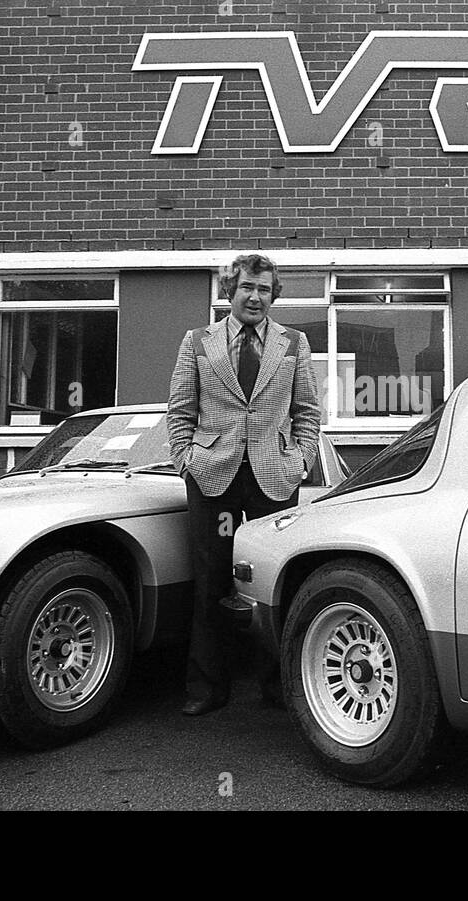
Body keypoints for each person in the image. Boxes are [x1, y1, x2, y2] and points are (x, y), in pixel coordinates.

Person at [167, 253, 321, 716]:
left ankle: (278, 688)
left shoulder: (294, 343)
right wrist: (186, 462)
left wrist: (301, 460)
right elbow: (179, 412)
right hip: (213, 476)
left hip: (274, 477)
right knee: (211, 582)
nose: (256, 297)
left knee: (275, 584)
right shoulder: (198, 341)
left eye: (265, 289)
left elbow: (308, 412)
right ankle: (206, 689)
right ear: (229, 291)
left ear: (274, 295)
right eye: (247, 288)